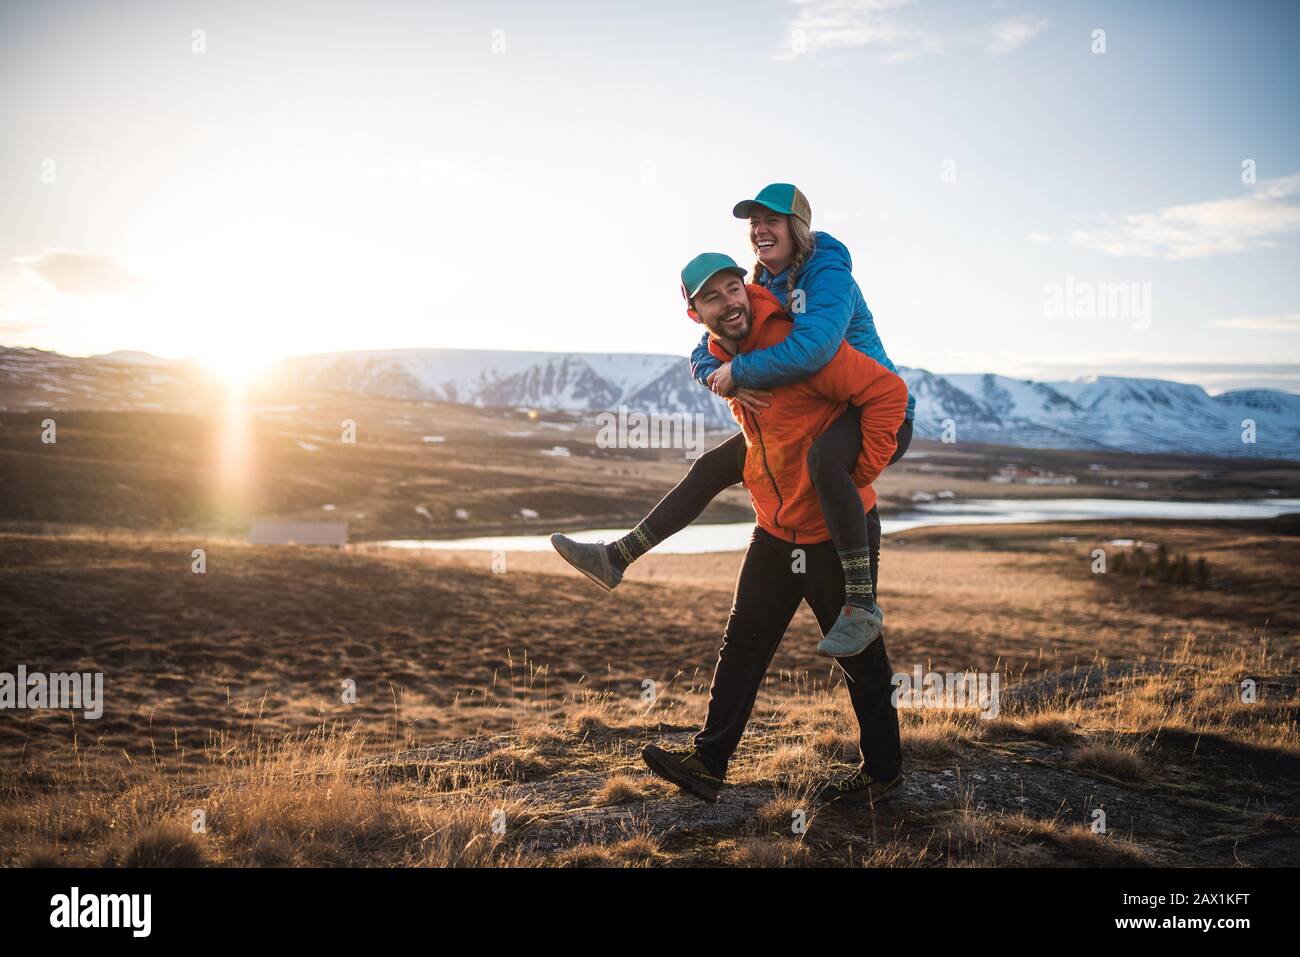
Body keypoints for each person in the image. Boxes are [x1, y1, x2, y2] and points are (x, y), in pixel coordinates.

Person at [552, 184, 913, 656]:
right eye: (754, 223)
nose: (761, 230)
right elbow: (710, 344)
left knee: (825, 462)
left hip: (874, 410)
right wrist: (717, 374)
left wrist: (738, 371)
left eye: (773, 220)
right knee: (712, 467)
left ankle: (861, 605)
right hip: (820, 412)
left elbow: (814, 350)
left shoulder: (828, 276)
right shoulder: (763, 279)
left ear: (797, 227)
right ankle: (616, 556)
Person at [629, 252, 909, 803]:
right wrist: (716, 374)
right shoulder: (717, 353)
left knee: (861, 659)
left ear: (746, 288)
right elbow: (726, 388)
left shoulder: (794, 347)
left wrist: (861, 472)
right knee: (742, 649)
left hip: (833, 533)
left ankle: (883, 775)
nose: (729, 301)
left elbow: (889, 394)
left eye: (734, 287)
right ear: (695, 312)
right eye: (712, 296)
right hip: (776, 532)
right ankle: (709, 763)